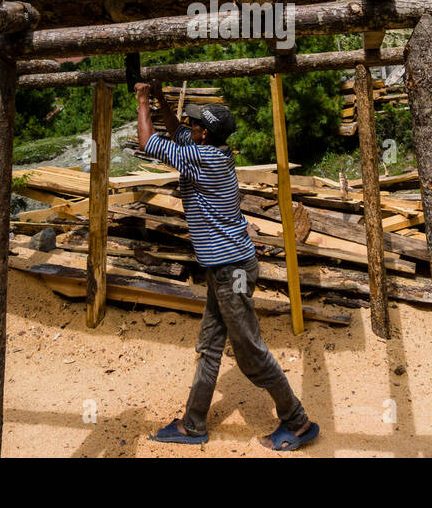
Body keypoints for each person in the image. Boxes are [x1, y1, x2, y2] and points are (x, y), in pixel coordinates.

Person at [134, 80, 319, 452]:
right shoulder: (208, 149)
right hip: (224, 269)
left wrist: (141, 101)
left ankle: (297, 422)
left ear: (204, 134)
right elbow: (176, 131)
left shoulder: (202, 159)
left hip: (231, 270)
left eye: (195, 125)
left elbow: (147, 141)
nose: (189, 127)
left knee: (249, 351)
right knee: (210, 344)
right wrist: (159, 98)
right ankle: (193, 424)